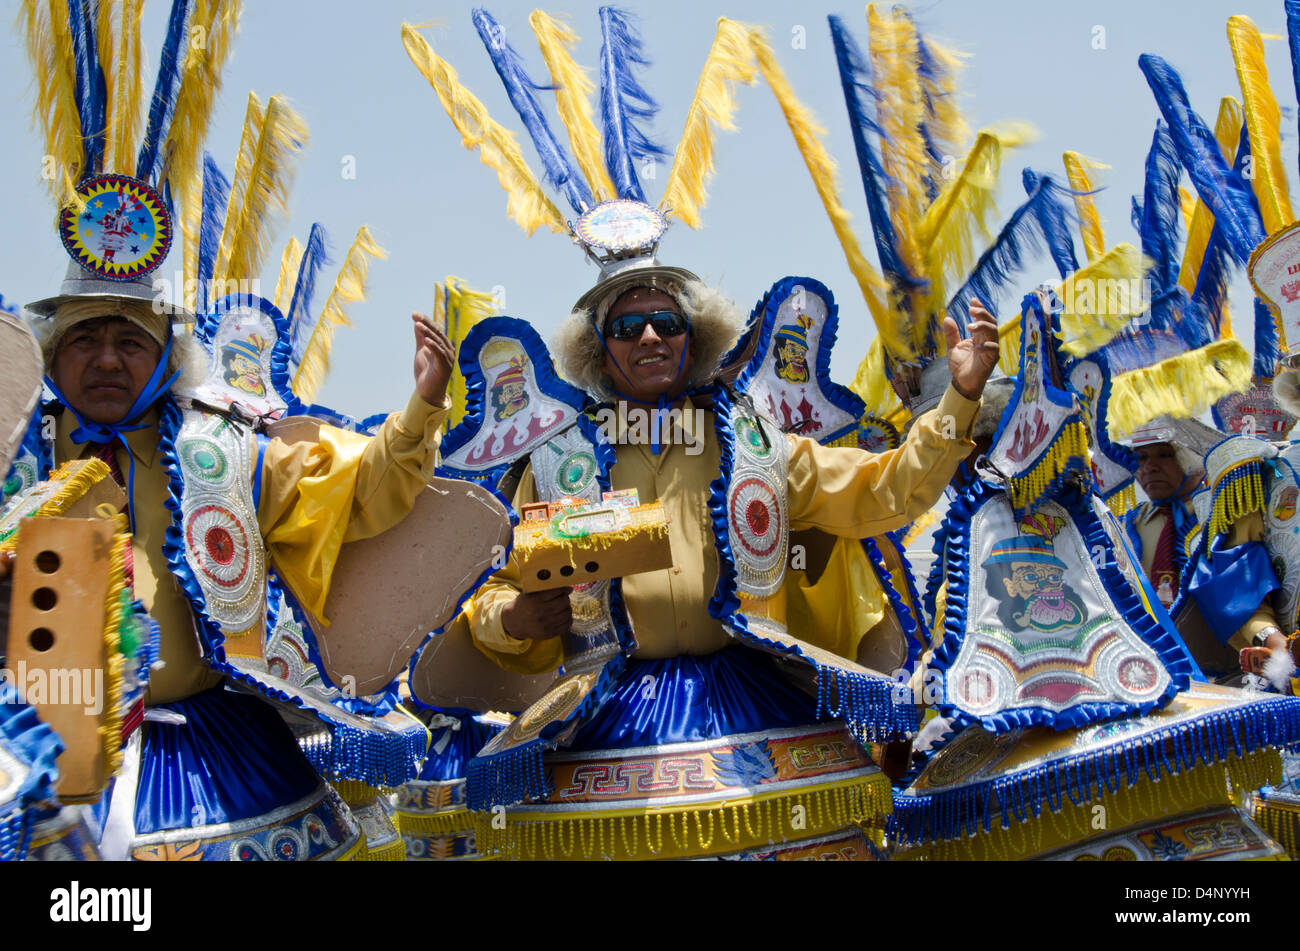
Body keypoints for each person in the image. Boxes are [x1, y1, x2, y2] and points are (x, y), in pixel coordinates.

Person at [465, 265, 997, 860]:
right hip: (605, 717)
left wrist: (961, 397)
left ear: (693, 336)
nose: (649, 338)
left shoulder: (754, 442)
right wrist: (514, 618)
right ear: (597, 347)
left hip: (754, 697)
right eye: (627, 327)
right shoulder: (557, 459)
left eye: (665, 322)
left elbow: (884, 492)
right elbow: (492, 590)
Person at [22, 271, 456, 859]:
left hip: (207, 754)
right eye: (83, 339)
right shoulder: (17, 449)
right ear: (51, 354)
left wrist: (420, 408)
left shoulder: (221, 449)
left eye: (129, 342)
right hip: (35, 746)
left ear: (165, 357)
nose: (106, 360)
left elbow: (356, 493)